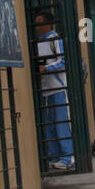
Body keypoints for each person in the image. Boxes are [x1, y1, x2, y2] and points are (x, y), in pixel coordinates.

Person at [35, 12, 74, 170]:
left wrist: (46, 68)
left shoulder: (55, 39)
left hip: (57, 88)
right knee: (50, 125)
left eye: (39, 24)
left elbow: (63, 61)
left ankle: (67, 157)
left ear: (48, 24)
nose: (37, 28)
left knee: (61, 124)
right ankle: (55, 156)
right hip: (45, 90)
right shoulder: (39, 42)